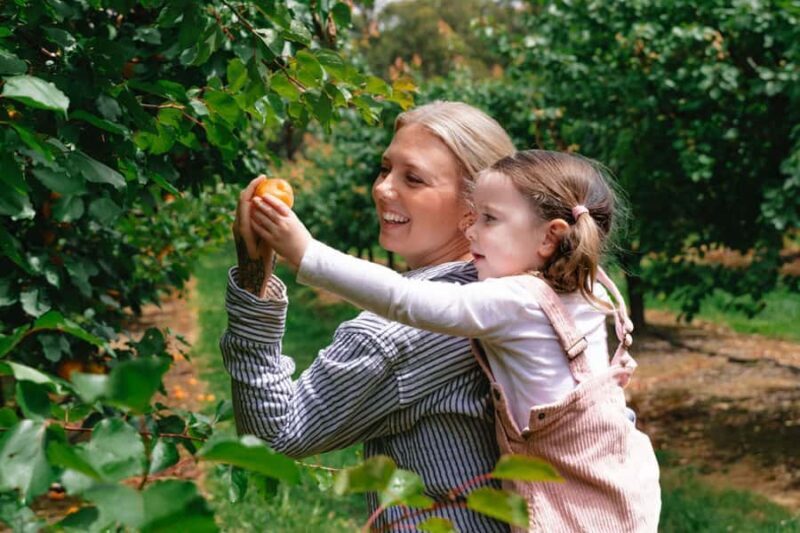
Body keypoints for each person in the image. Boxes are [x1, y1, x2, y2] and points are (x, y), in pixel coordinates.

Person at [251, 149, 662, 531]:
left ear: (549, 237)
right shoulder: (593, 290)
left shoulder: (515, 300)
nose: (471, 230)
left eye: (489, 219)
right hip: (616, 480)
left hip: (563, 494)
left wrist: (305, 252)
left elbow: (404, 299)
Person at [222, 101, 516, 531]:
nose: (381, 188)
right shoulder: (510, 295)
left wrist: (253, 274)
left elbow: (275, 435)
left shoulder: (399, 333)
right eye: (385, 169)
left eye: (412, 178)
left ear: (475, 208)